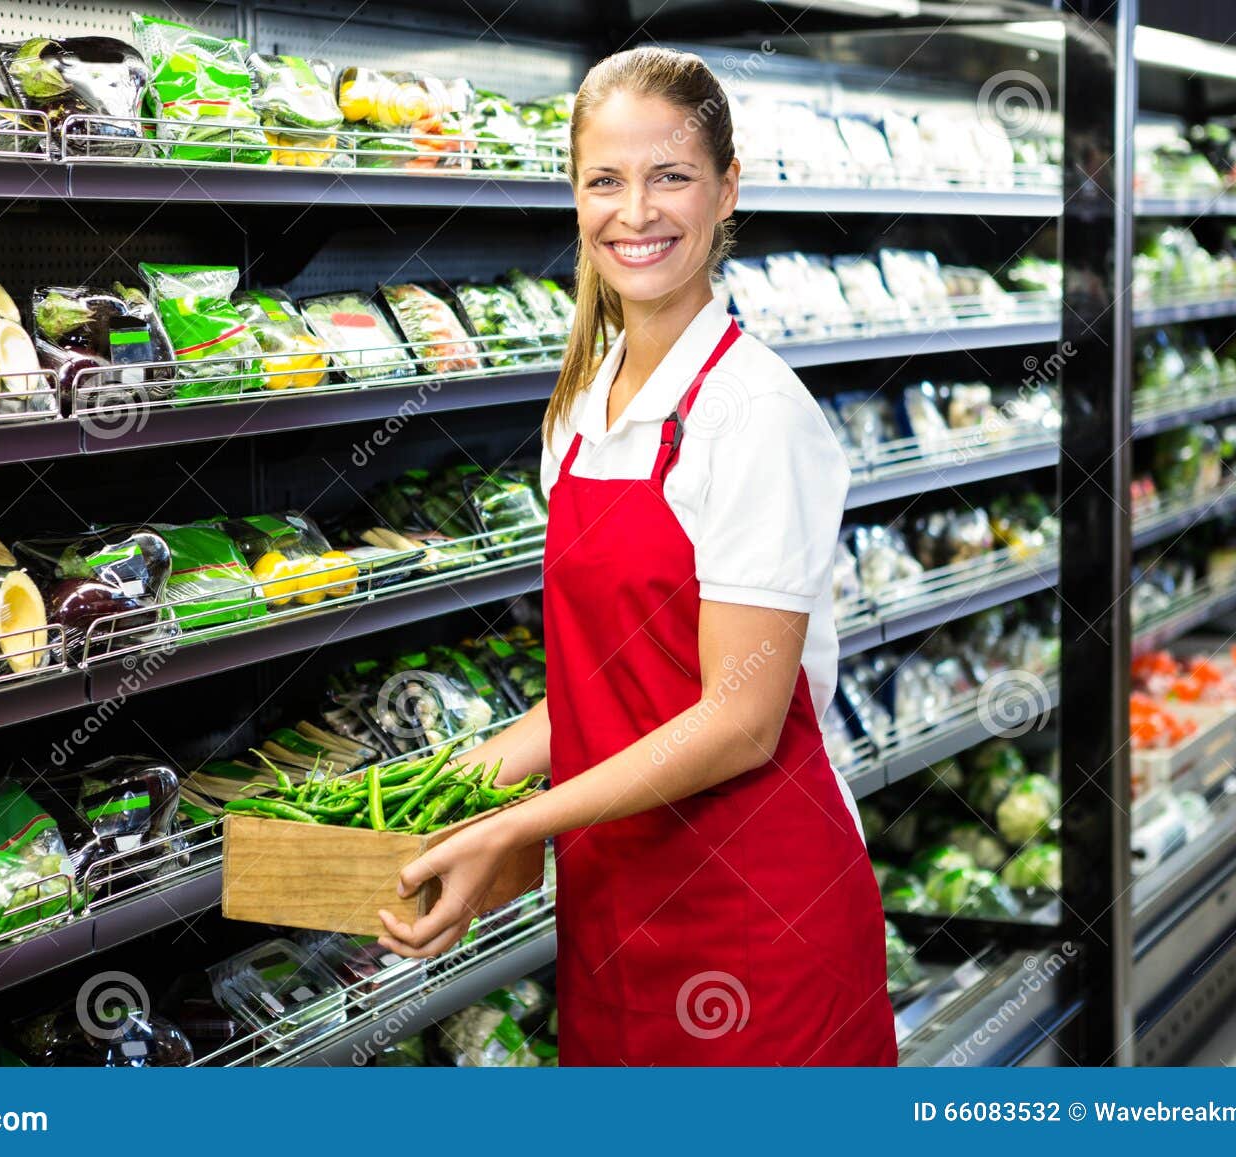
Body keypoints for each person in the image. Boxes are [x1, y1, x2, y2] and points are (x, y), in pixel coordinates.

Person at [378, 45, 896, 1067]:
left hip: (757, 915)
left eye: (670, 176)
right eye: (604, 180)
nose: (636, 211)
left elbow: (738, 722)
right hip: (617, 905)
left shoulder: (753, 412)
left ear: (726, 188)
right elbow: (607, 689)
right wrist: (447, 788)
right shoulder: (579, 406)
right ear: (573, 198)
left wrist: (520, 824)